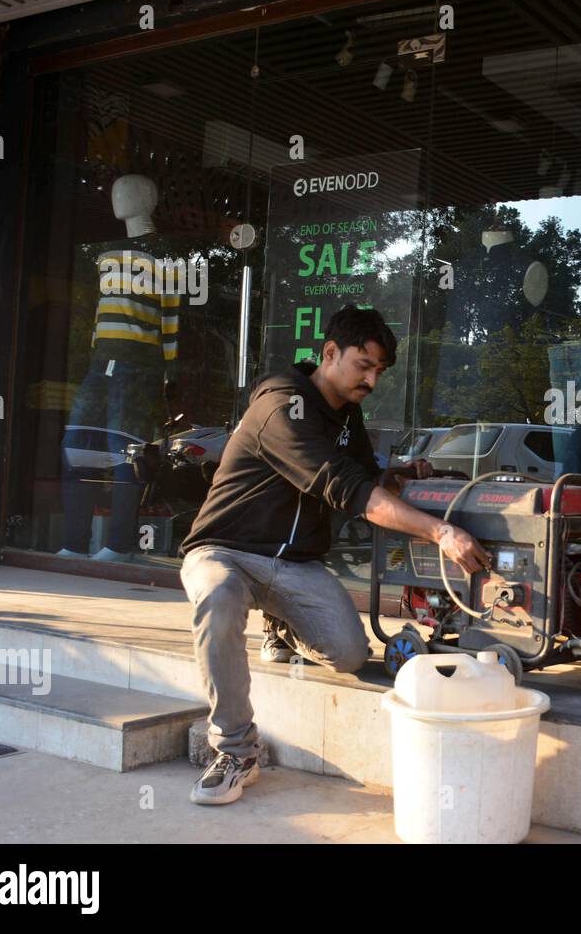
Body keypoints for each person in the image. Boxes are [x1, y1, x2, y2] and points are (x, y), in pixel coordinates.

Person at [178, 305, 488, 805]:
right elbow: (346, 489)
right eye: (363, 365)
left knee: (348, 654)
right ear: (329, 353)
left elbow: (366, 478)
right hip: (225, 550)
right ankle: (236, 750)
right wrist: (441, 531)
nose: (371, 379)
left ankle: (282, 626)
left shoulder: (347, 416)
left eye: (380, 371)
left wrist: (402, 473)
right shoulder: (283, 406)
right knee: (218, 595)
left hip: (294, 565)